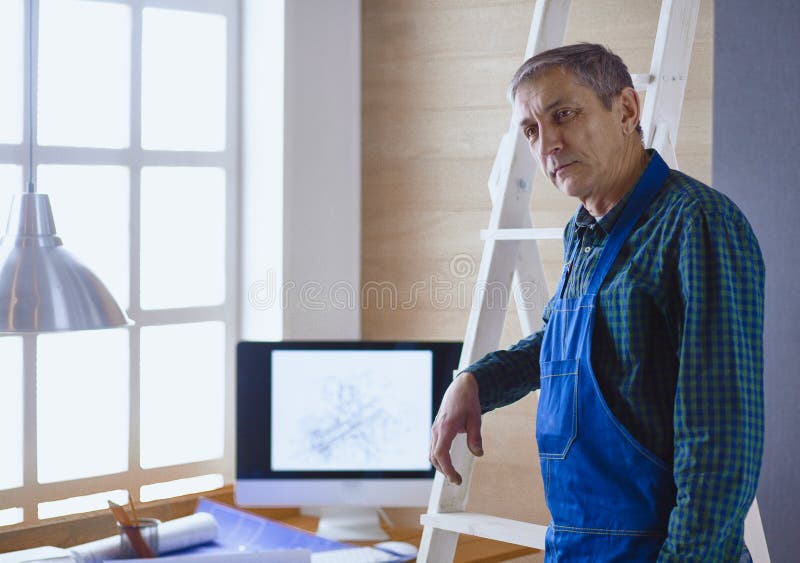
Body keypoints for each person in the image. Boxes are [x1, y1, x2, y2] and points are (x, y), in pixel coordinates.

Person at [429, 43, 764, 562]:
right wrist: (476, 381)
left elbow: (721, 443)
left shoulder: (696, 223)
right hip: (573, 548)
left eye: (564, 114)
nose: (549, 144)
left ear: (627, 110)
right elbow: (570, 340)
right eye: (532, 130)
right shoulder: (582, 234)